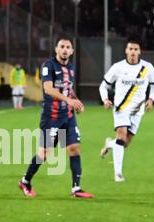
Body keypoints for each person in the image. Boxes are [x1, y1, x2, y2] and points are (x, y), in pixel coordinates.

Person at [18, 37, 94, 199]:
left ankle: (76, 188)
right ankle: (25, 181)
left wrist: (76, 101)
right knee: (44, 153)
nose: (65, 49)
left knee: (74, 148)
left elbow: (68, 88)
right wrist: (69, 100)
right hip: (51, 117)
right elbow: (48, 89)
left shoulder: (71, 68)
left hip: (68, 116)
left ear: (72, 51)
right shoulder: (49, 66)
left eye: (68, 47)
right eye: (62, 46)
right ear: (56, 50)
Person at [99, 39, 154, 182]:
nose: (133, 52)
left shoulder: (147, 67)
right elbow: (103, 86)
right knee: (121, 135)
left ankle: (109, 144)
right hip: (121, 108)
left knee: (125, 143)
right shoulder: (117, 67)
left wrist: (150, 99)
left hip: (138, 110)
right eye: (130, 49)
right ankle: (118, 173)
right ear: (126, 51)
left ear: (139, 52)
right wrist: (105, 99)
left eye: (136, 49)